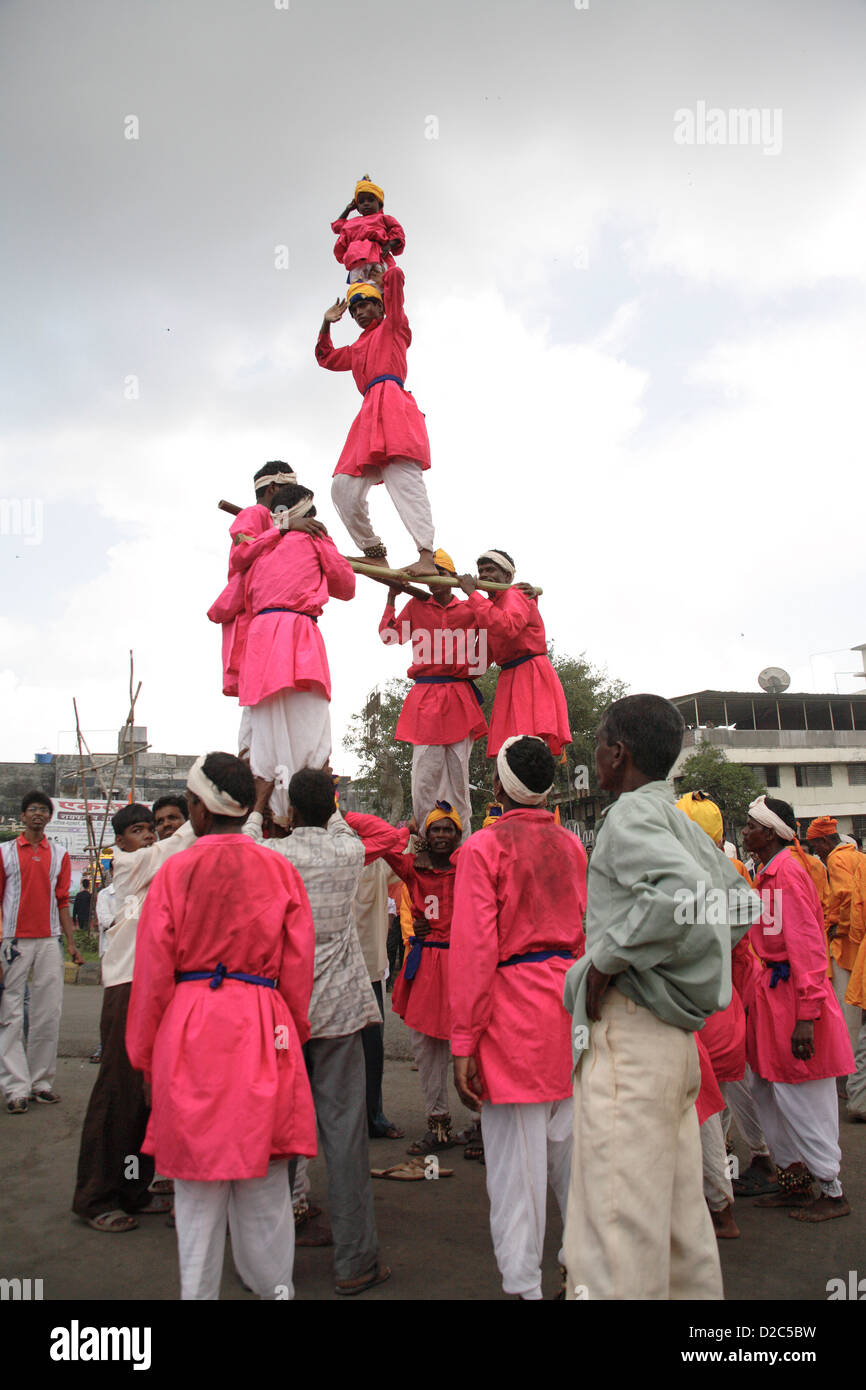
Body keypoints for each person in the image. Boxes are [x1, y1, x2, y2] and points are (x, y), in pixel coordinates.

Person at [562, 695, 762, 1300]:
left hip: (632, 1040)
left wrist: (610, 956)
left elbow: (679, 893)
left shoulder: (627, 817)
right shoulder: (677, 818)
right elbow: (742, 904)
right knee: (679, 1234)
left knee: (616, 1232)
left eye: (598, 741)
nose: (592, 753)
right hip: (673, 1048)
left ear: (617, 753)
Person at [126, 753, 317, 1300]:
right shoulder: (279, 869)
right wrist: (291, 1036)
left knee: (197, 1187)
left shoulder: (175, 872)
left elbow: (153, 976)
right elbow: (298, 971)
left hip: (190, 1026)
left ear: (199, 808)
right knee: (262, 1183)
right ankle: (275, 1290)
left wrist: (144, 1057)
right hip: (263, 1022)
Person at [447, 736, 587, 1300]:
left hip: (512, 1020)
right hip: (569, 1011)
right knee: (576, 1165)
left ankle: (525, 1288)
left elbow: (475, 950)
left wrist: (463, 1040)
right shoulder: (573, 845)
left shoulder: (483, 848)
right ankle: (580, 1275)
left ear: (502, 786)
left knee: (515, 1175)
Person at [245, 768, 390, 1295]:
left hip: (282, 1015)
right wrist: (327, 799)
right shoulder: (346, 851)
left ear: (289, 811)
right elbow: (351, 824)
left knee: (277, 1138)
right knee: (345, 1137)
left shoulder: (270, 856)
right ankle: (356, 1264)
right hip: (340, 1014)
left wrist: (262, 799)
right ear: (328, 805)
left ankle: (266, 1268)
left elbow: (241, 837)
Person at [71, 803, 194, 1232]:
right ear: (120, 841)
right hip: (126, 990)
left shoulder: (161, 872)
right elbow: (176, 845)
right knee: (117, 1094)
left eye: (152, 829)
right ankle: (95, 1197)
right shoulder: (130, 866)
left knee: (144, 1100)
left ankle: (131, 1188)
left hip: (155, 988)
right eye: (140, 829)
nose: (149, 835)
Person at [741, 796, 854, 1221]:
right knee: (770, 1089)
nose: (746, 831)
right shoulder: (771, 872)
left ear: (769, 832)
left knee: (803, 1093)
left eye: (751, 825)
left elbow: (807, 945)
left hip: (794, 998)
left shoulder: (787, 872)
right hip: (773, 995)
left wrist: (807, 1015)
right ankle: (795, 1182)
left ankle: (832, 1190)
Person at [345, 803, 468, 1154]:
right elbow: (381, 843)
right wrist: (405, 827)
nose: (441, 835)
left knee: (471, 1043)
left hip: (463, 963)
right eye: (435, 829)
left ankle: (480, 1124)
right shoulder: (414, 869)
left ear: (460, 835)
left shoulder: (472, 865)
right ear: (425, 836)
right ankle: (438, 1124)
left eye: (449, 829)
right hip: (427, 965)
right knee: (427, 1049)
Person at [236, 482, 355, 823]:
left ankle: (261, 816)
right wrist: (323, 544)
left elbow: (239, 557)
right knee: (311, 731)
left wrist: (280, 531)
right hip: (298, 637)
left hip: (259, 643)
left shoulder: (257, 547)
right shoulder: (314, 539)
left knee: (266, 736)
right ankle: (310, 812)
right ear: (310, 516)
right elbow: (346, 587)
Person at [316, 269, 435, 574]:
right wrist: (327, 323)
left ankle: (426, 556)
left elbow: (396, 278)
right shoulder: (356, 348)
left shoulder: (395, 326)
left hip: (394, 409)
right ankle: (373, 551)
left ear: (381, 306)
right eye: (354, 309)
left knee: (404, 481)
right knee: (342, 488)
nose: (359, 312)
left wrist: (382, 273)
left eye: (366, 305)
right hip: (368, 418)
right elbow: (326, 357)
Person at [379, 549, 487, 835]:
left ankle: (463, 842)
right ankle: (424, 843)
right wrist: (392, 596)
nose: (433, 579)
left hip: (459, 697)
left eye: (439, 572)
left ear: (452, 576)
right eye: (430, 573)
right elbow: (389, 636)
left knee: (459, 776)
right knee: (424, 776)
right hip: (426, 697)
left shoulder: (469, 610)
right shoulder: (416, 607)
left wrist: (480, 596)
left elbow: (492, 641)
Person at [207, 461, 299, 756]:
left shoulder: (276, 524)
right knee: (258, 702)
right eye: (289, 492)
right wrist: (284, 528)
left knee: (272, 701)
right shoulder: (256, 514)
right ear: (273, 489)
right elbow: (242, 551)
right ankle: (249, 773)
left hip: (271, 622)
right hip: (255, 621)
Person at [0, 791, 83, 1113]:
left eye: (43, 810)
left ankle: (41, 1083)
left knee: (48, 1013)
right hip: (13, 941)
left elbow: (63, 901)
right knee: (10, 1015)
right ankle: (16, 1088)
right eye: (32, 809)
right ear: (22, 816)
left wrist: (72, 945)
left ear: (50, 817)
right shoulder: (5, 852)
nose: (38, 814)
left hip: (50, 940)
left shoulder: (60, 854)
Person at [457, 550, 571, 758]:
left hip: (530, 674)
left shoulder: (514, 594)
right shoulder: (489, 607)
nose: (484, 575)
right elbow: (480, 662)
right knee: (512, 751)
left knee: (530, 748)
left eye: (490, 569)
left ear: (507, 576)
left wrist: (473, 596)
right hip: (509, 677)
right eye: (480, 571)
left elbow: (507, 627)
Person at [352, 857, 404, 1141]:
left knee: (372, 1051)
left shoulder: (375, 865)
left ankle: (374, 1116)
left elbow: (398, 850)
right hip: (329, 973)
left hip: (370, 970)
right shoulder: (319, 857)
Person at [805, 816, 865, 1055]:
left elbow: (849, 895)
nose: (816, 852)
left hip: (845, 946)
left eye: (816, 846)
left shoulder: (837, 858)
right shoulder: (858, 856)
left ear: (825, 842)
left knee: (847, 1009)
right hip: (857, 945)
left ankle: (848, 1066)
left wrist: (838, 927)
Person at [330, 174, 405, 277]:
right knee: (359, 289)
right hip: (356, 261)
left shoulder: (383, 218)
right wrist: (348, 209)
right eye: (361, 202)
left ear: (379, 204)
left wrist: (389, 245)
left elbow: (397, 231)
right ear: (357, 207)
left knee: (378, 285)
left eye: (370, 200)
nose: (366, 203)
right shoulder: (352, 222)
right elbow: (337, 227)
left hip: (377, 256)